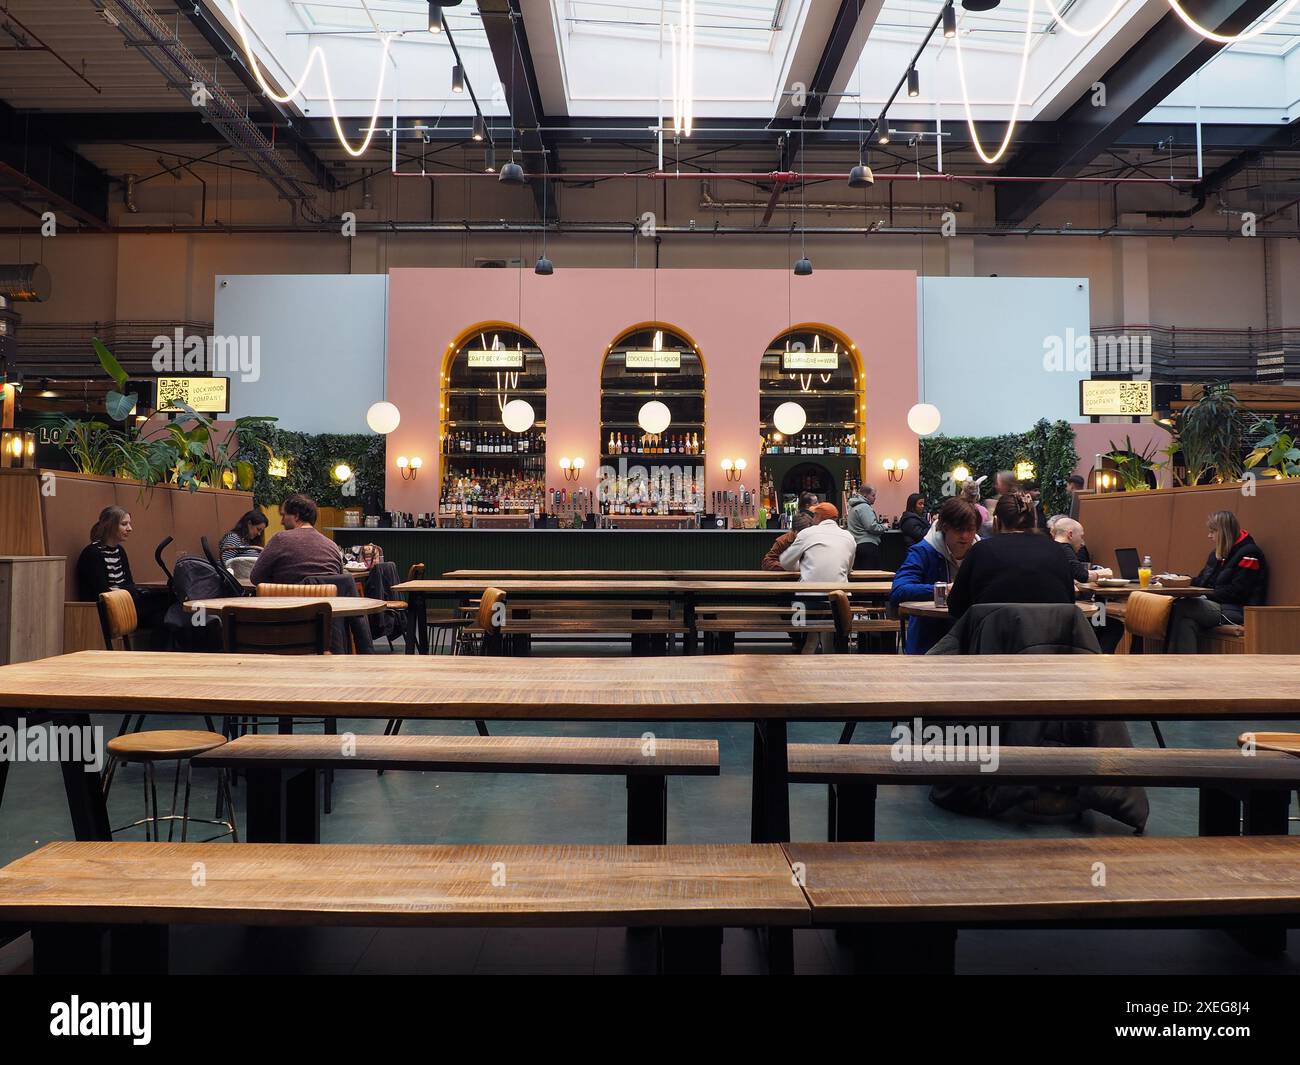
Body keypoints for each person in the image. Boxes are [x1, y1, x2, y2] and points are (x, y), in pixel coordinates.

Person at [946, 493, 1075, 620]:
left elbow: (956, 607)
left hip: (991, 639)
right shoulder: (1057, 551)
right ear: (1034, 521)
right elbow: (1069, 603)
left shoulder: (980, 551)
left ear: (996, 522)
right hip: (1052, 637)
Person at [1165, 511, 1268, 653]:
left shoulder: (1249, 554)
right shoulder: (1219, 553)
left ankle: (1166, 658)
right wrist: (1176, 579)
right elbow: (1202, 581)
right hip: (1217, 604)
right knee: (1185, 623)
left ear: (1223, 532)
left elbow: (1238, 593)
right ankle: (1186, 668)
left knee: (1181, 607)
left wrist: (1207, 595)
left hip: (1239, 611)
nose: (1209, 536)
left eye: (1212, 531)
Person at [890, 497, 981, 654]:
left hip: (973, 641)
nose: (965, 536)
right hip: (929, 644)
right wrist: (944, 590)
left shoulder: (983, 552)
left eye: (971, 529)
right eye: (959, 529)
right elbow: (898, 590)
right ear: (945, 527)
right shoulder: (923, 551)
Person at [780, 502, 855, 654]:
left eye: (814, 515)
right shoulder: (849, 536)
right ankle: (825, 648)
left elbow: (785, 562)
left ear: (819, 517)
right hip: (840, 599)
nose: (812, 518)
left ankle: (804, 643)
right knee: (829, 611)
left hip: (808, 599)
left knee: (795, 606)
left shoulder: (807, 533)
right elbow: (848, 568)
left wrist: (804, 565)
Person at [249, 494, 344, 585]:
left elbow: (256, 577)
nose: (282, 522)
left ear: (296, 516)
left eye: (283, 515)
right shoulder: (332, 546)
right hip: (328, 600)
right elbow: (339, 577)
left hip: (290, 600)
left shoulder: (281, 539)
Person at [76, 506, 140, 600]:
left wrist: (119, 590)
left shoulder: (120, 551)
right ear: (110, 526)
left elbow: (130, 585)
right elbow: (102, 591)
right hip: (100, 609)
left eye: (129, 523)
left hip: (123, 602)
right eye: (124, 524)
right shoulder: (93, 553)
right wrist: (124, 590)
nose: (130, 528)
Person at [846, 483, 887, 570]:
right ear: (865, 495)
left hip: (857, 545)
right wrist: (884, 527)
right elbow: (871, 527)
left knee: (860, 575)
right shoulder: (864, 507)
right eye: (873, 495)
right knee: (872, 576)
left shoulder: (853, 507)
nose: (875, 498)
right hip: (868, 546)